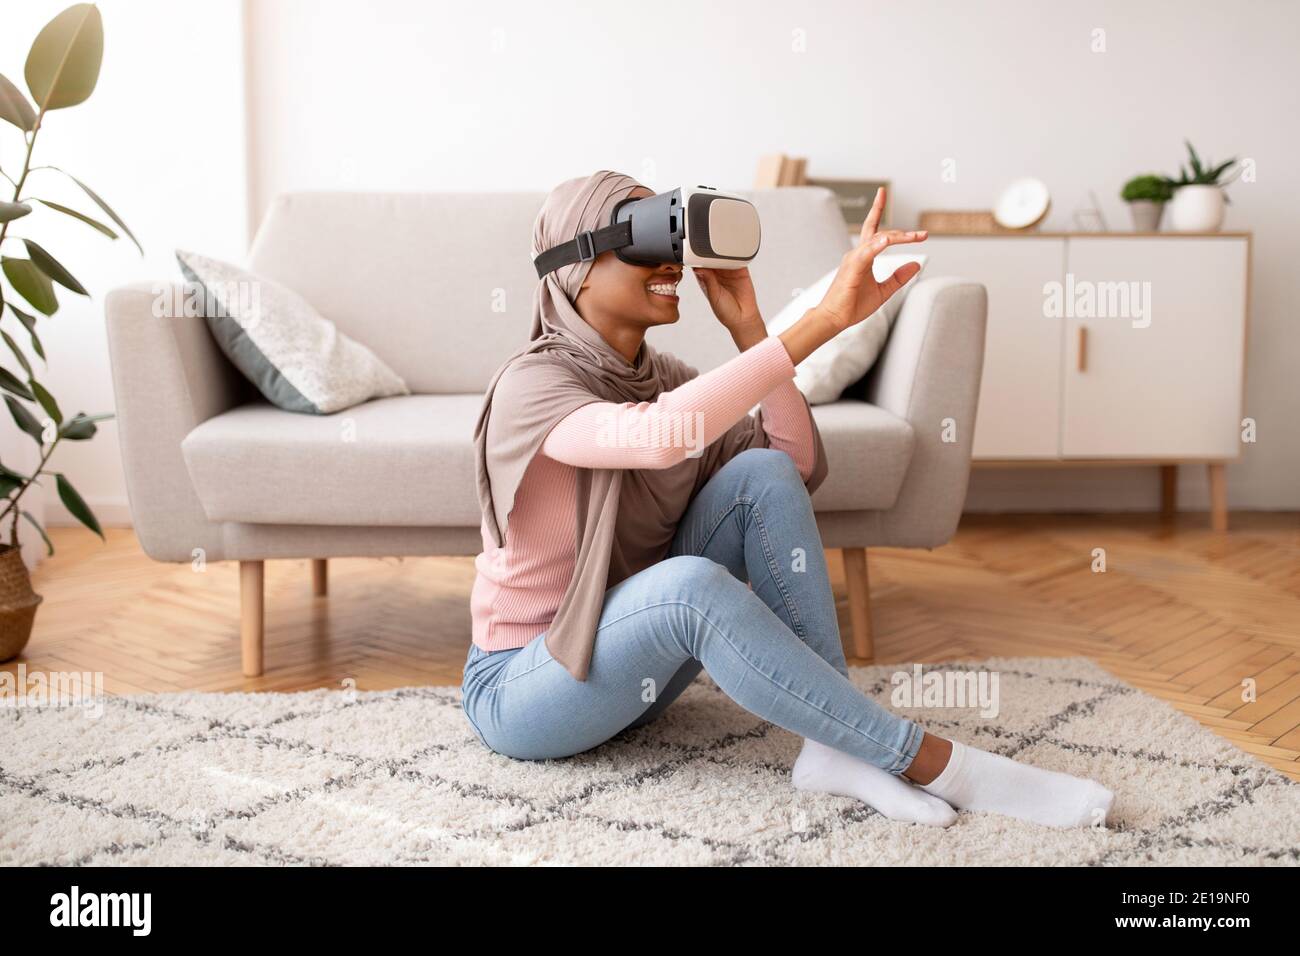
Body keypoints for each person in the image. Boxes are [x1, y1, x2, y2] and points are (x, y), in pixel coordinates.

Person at [464, 170, 1114, 829]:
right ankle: (933, 762)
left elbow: (793, 462)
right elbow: (660, 437)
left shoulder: (660, 378)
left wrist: (750, 330)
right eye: (641, 239)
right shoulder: (531, 385)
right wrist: (824, 320)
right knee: (688, 585)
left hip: (634, 671)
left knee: (761, 477)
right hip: (526, 689)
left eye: (671, 237)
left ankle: (834, 748)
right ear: (575, 267)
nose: (670, 261)